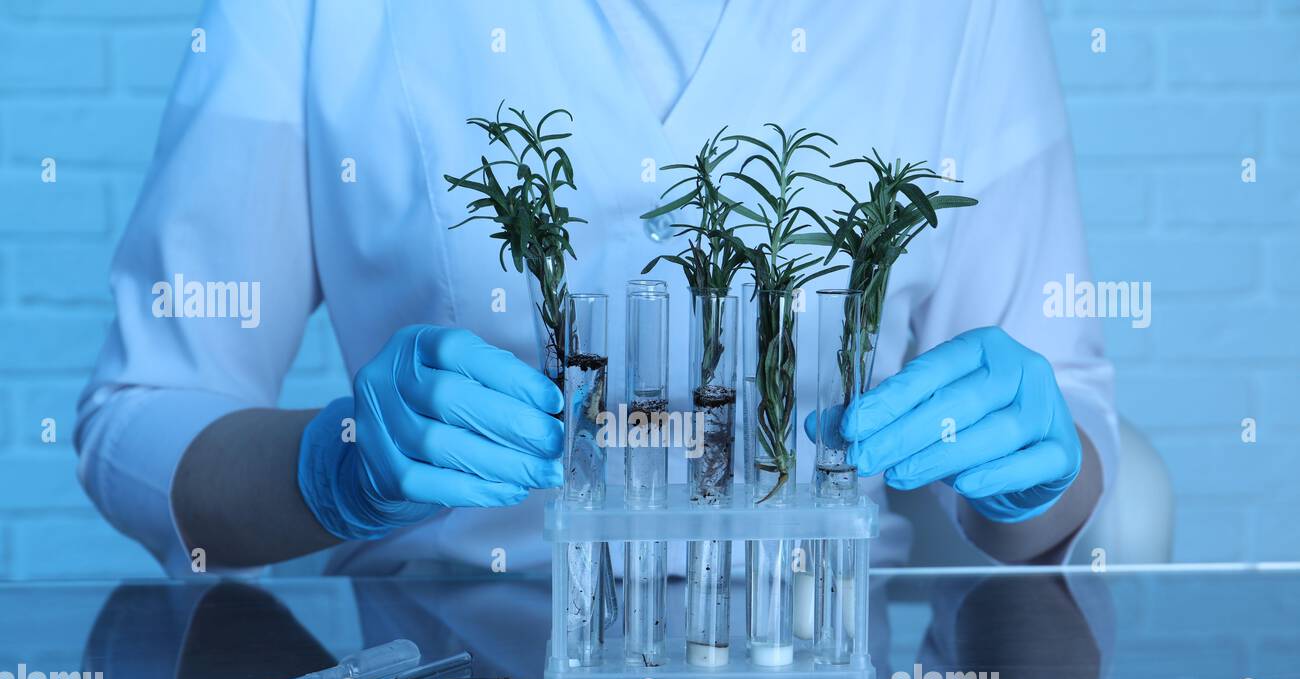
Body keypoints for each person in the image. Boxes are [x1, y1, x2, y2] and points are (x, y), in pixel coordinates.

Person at [75, 0, 1116, 578]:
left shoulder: (959, 18)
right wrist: (332, 463)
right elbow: (141, 417)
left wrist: (1029, 470)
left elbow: (1059, 455)